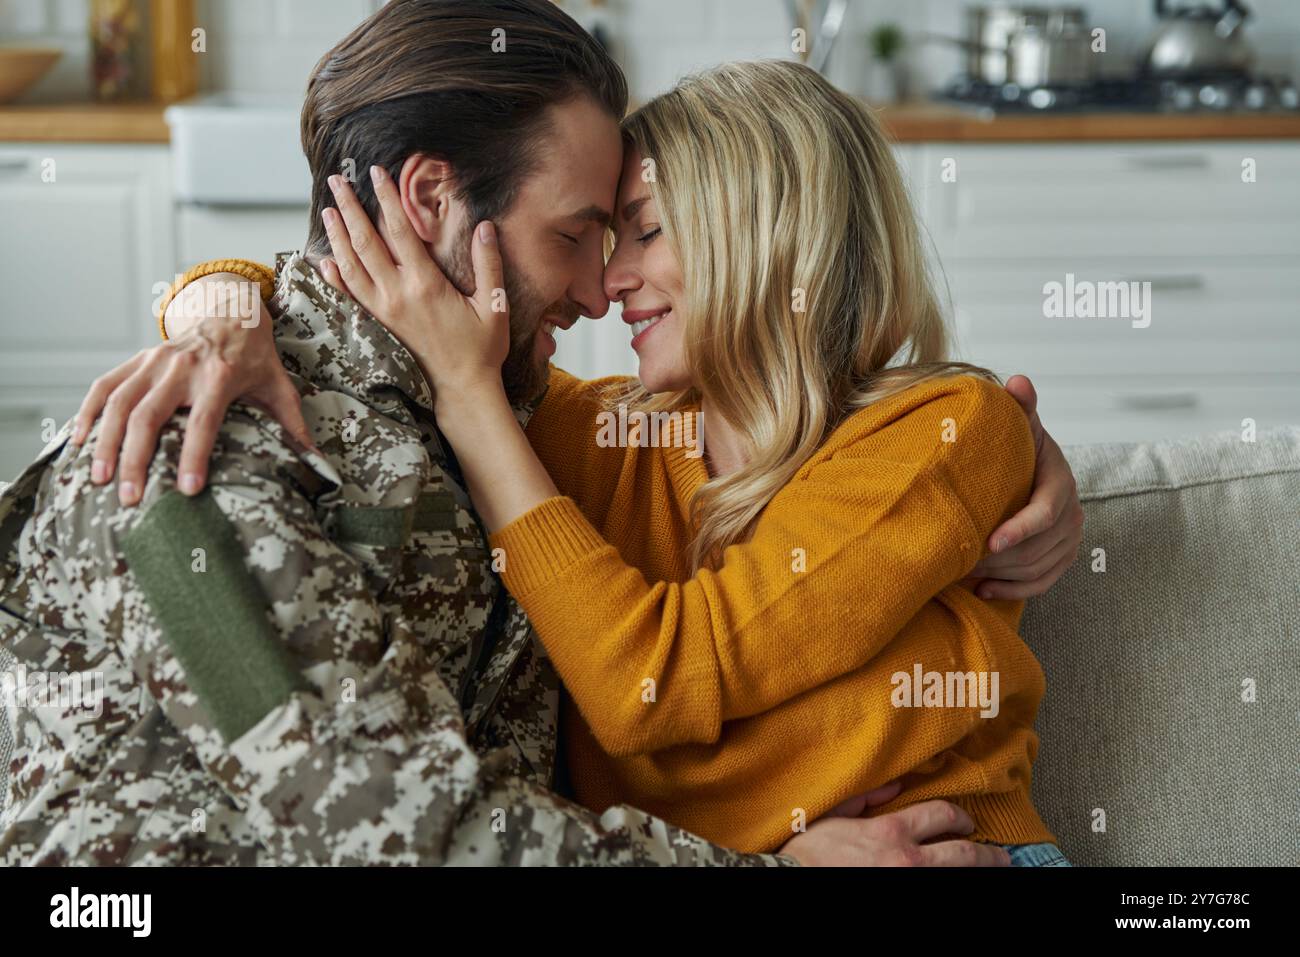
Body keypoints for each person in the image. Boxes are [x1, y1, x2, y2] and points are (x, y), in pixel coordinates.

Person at [0, 0, 1024, 867]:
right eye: (574, 236)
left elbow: (872, 437)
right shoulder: (198, 461)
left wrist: (1024, 463)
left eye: (624, 239)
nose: (595, 290)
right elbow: (399, 837)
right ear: (431, 198)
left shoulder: (493, 410)